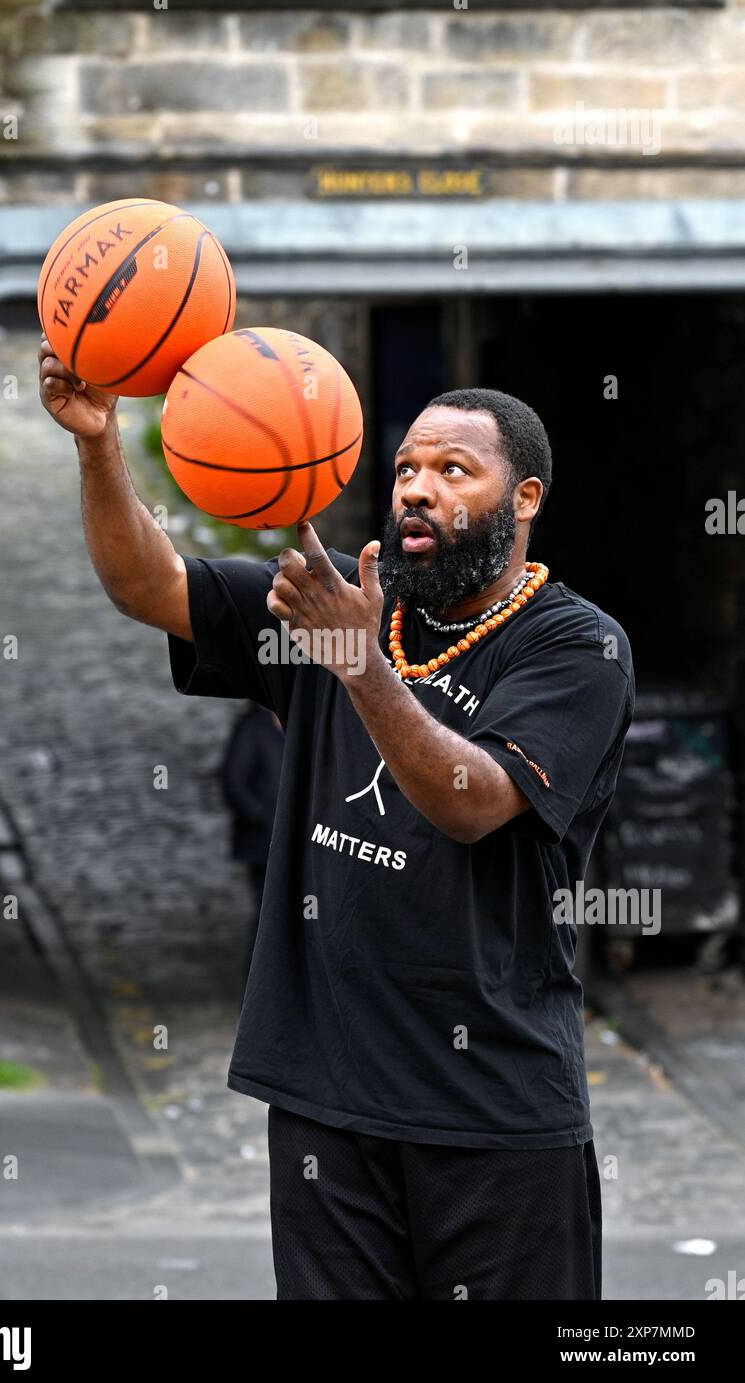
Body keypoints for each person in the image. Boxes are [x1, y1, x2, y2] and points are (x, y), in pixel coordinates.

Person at [40, 341, 635, 1301]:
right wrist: (99, 445)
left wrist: (356, 663)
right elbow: (145, 584)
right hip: (327, 1104)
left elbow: (471, 801)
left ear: (523, 499)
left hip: (493, 1113)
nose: (417, 488)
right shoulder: (348, 608)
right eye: (405, 467)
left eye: (453, 470)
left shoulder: (575, 646)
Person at [219, 702, 284, 987]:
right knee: (266, 913)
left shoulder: (302, 725)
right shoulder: (252, 727)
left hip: (298, 842)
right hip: (262, 845)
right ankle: (257, 985)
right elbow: (234, 783)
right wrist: (265, 818)